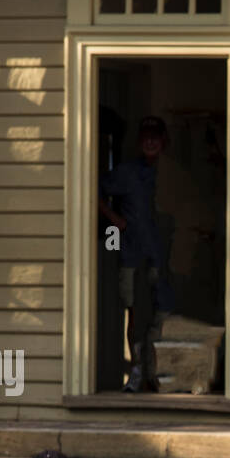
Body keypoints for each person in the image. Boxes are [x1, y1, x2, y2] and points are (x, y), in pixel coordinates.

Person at [98, 115, 175, 392]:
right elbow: (94, 189)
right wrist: (114, 219)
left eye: (156, 136)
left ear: (164, 140)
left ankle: (154, 372)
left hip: (164, 258)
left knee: (163, 313)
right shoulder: (127, 172)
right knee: (134, 315)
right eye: (146, 137)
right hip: (132, 255)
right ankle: (136, 371)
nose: (151, 141)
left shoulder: (170, 174)